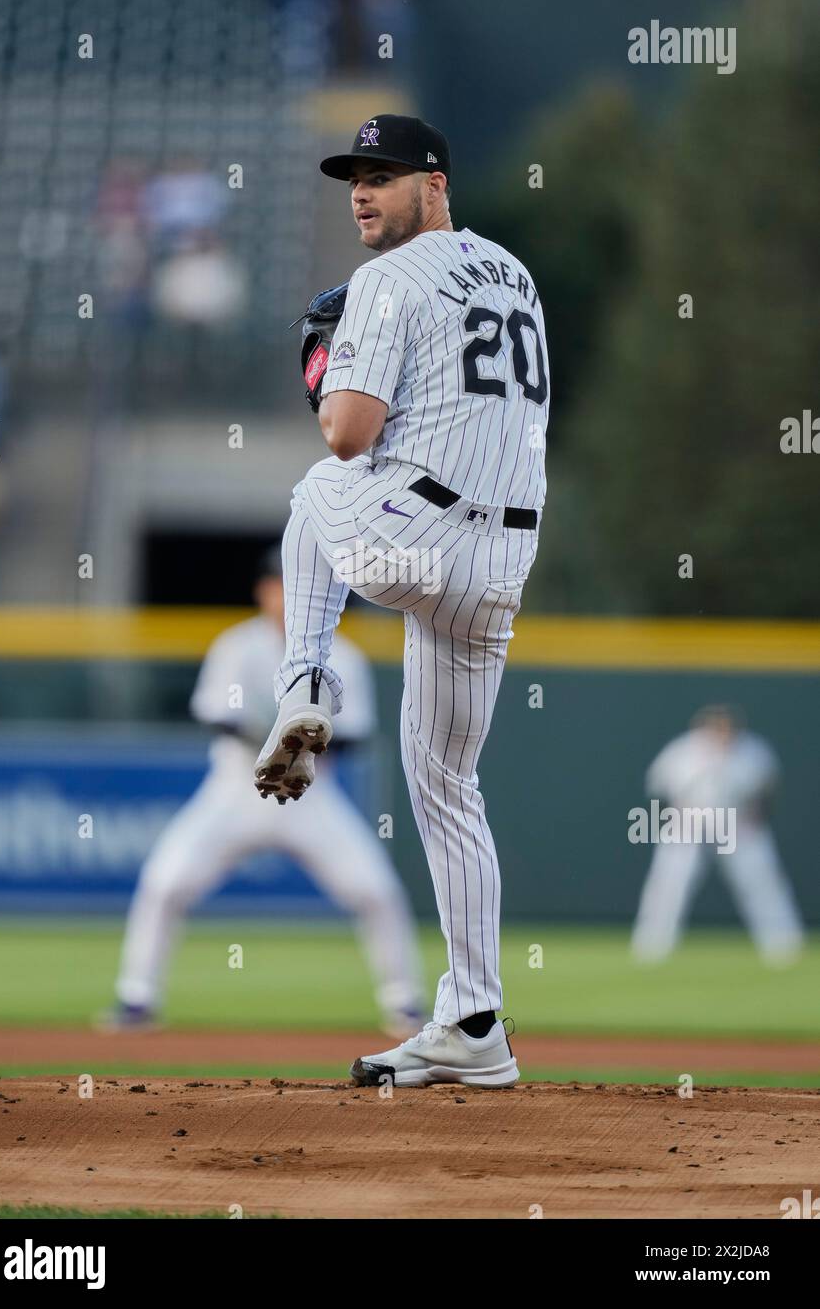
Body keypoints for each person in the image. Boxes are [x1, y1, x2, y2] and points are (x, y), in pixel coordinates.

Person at [254, 114, 551, 1087]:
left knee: (311, 492)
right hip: (500, 565)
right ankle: (474, 1022)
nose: (362, 190)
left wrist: (325, 376)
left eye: (383, 173)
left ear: (436, 181)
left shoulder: (386, 280)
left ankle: (302, 682)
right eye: (353, 176)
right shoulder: (513, 274)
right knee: (447, 787)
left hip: (418, 527)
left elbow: (346, 433)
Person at [101, 545, 425, 1038]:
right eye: (280, 584)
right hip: (236, 791)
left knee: (376, 891)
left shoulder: (344, 656)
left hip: (311, 793)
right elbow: (217, 716)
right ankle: (136, 998)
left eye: (299, 585)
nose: (287, 595)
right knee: (164, 884)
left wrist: (303, 746)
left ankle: (404, 1004)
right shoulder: (237, 645)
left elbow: (356, 733)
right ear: (264, 591)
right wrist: (278, 741)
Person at [630, 706, 805, 965]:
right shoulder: (682, 751)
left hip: (736, 822)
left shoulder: (752, 752)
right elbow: (657, 787)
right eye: (714, 728)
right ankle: (652, 945)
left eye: (725, 728)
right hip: (690, 821)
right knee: (669, 884)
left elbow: (768, 790)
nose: (720, 733)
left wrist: (756, 815)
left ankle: (783, 944)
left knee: (761, 882)